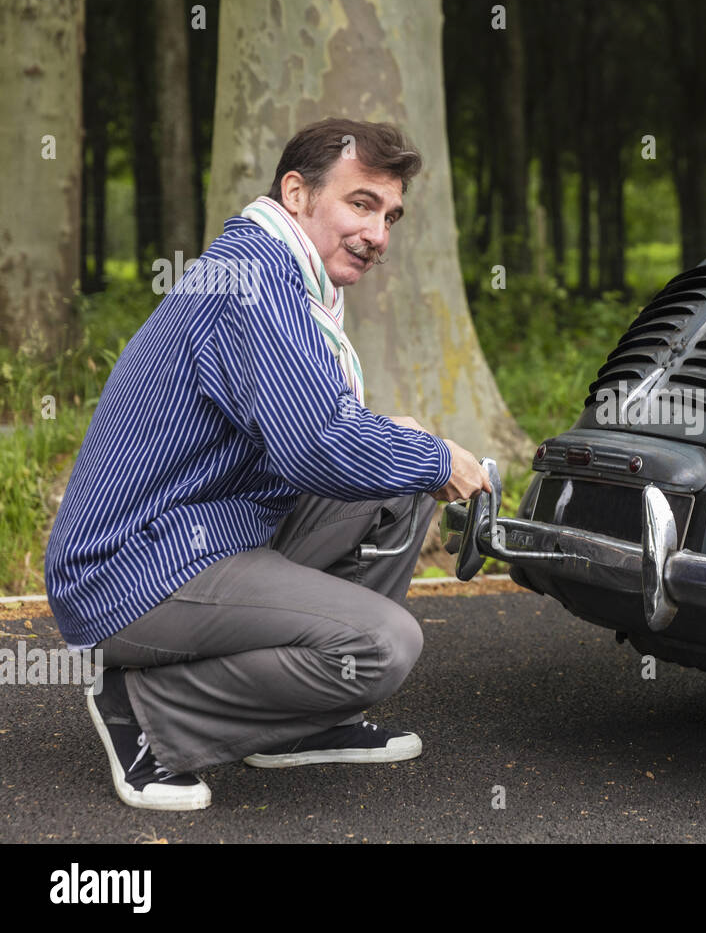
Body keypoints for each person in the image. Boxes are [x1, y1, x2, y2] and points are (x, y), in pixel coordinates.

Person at [44, 118, 492, 811]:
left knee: (397, 487)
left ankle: (288, 723)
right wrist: (435, 456)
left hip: (208, 526)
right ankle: (147, 709)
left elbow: (312, 432)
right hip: (130, 568)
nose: (379, 234)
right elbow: (314, 442)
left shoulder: (285, 275)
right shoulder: (251, 277)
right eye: (362, 204)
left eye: (391, 216)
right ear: (296, 192)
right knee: (384, 644)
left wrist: (407, 451)